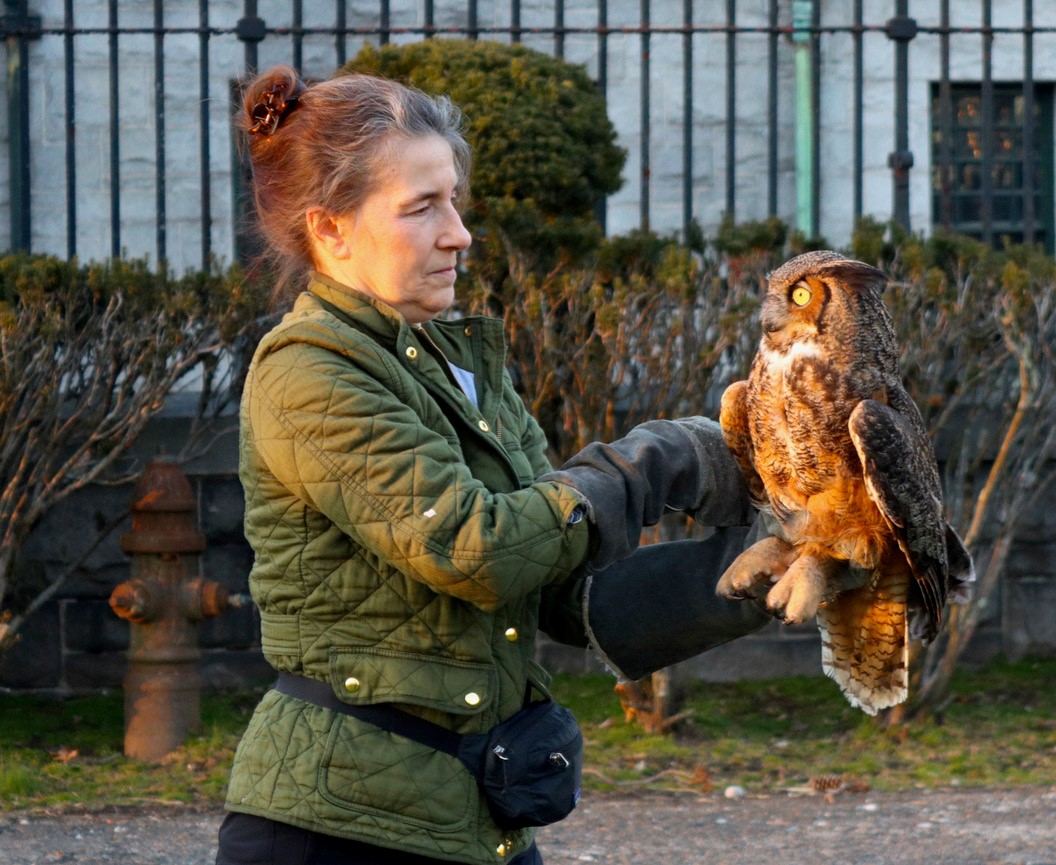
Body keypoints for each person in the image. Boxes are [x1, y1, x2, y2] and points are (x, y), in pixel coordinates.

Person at [216, 65, 772, 865]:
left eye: (453, 200)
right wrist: (662, 459)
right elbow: (474, 550)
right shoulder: (308, 371)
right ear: (331, 228)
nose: (458, 233)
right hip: (333, 830)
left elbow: (561, 589)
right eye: (421, 207)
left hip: (474, 823)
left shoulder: (458, 363)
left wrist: (772, 570)